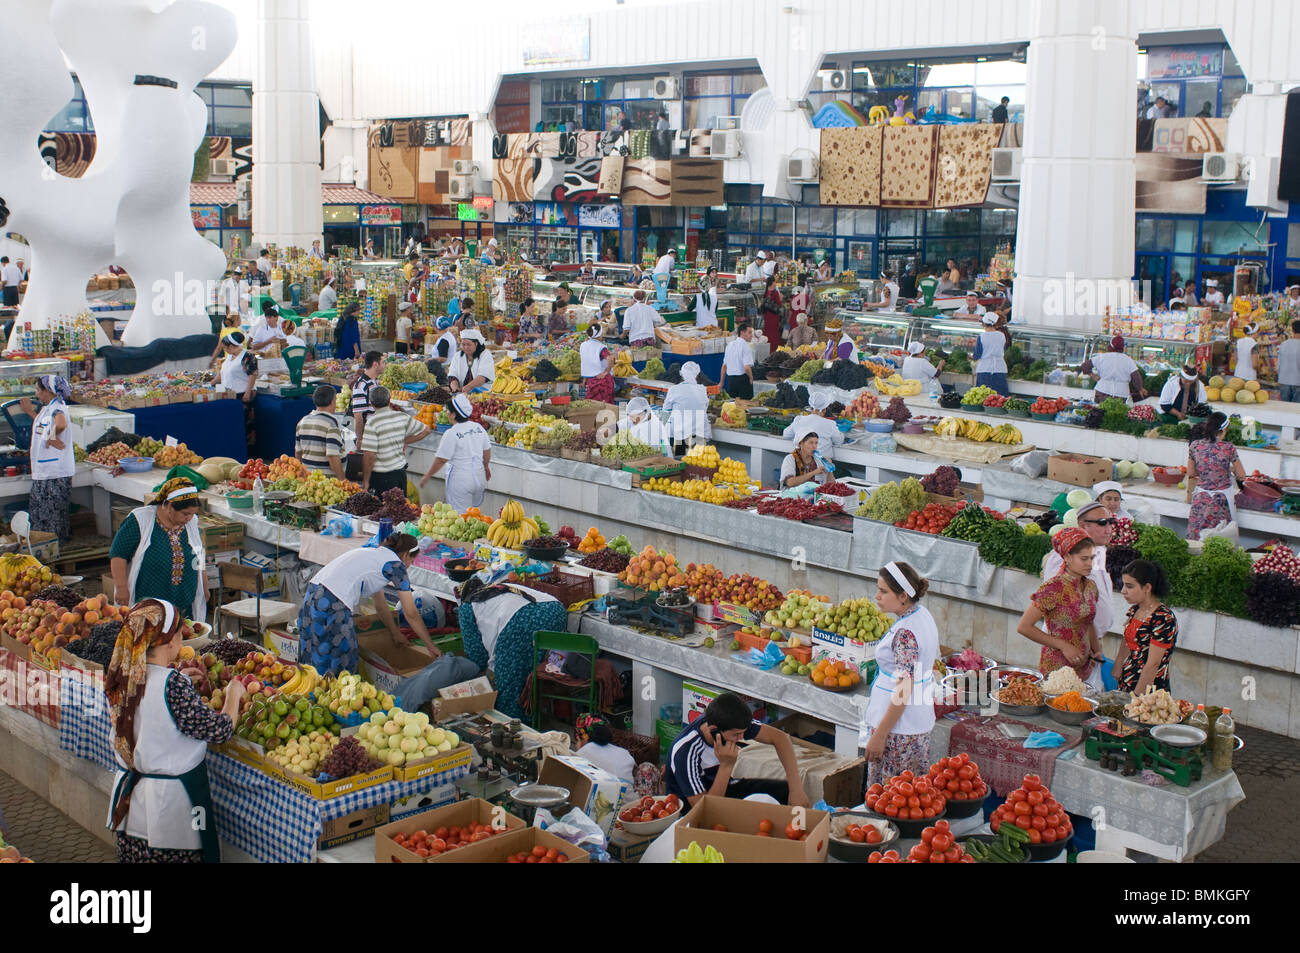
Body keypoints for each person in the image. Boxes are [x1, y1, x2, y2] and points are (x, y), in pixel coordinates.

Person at [107, 598, 243, 863]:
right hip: (170, 809)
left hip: (133, 804)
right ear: (168, 641)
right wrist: (233, 695)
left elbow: (152, 708)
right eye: (180, 635)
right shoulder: (171, 686)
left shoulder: (122, 677)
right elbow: (220, 730)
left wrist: (180, 683)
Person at [299, 534, 438, 676]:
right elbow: (411, 613)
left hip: (312, 596)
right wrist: (430, 646)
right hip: (333, 605)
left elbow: (381, 606)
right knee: (342, 664)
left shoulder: (374, 554)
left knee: (312, 659)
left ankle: (311, 696)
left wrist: (396, 633)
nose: (409, 566)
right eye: (412, 561)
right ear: (406, 555)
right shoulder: (396, 566)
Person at [860, 561, 939, 785]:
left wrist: (880, 735)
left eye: (883, 591)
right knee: (912, 795)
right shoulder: (922, 615)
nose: (877, 596)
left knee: (891, 797)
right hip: (916, 722)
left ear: (903, 595)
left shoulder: (905, 634)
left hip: (898, 731)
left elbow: (903, 690)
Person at [665, 692, 809, 807]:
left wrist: (796, 789)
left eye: (743, 732)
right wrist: (726, 766)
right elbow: (704, 809)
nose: (741, 737)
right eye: (736, 735)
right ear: (714, 730)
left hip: (726, 789)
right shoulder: (685, 751)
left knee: (786, 790)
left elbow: (781, 738)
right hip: (694, 809)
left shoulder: (732, 723)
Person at [109, 478, 209, 621]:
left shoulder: (191, 522)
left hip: (184, 596)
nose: (189, 518)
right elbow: (118, 554)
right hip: (149, 599)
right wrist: (121, 587)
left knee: (184, 634)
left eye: (193, 513)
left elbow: (198, 556)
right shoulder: (140, 519)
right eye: (185, 513)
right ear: (168, 506)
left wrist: (204, 587)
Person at [1018, 528, 1101, 682]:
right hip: (1057, 668)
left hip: (1084, 665)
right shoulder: (1053, 588)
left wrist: (1096, 650)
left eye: (1092, 558)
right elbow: (1024, 627)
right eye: (1084, 559)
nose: (1090, 564)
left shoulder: (1091, 587)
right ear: (1068, 557)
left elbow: (1088, 622)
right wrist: (1063, 645)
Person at [1043, 498, 1115, 641]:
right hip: (1065, 640)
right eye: (1102, 523)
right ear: (1083, 525)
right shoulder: (1065, 554)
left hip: (1089, 641)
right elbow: (1056, 601)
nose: (1109, 529)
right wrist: (1066, 646)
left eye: (1111, 522)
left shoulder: (1099, 551)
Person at [1113, 560, 1178, 696]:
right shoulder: (1135, 609)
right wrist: (1119, 663)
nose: (1123, 591)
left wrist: (1136, 698)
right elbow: (1128, 638)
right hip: (1128, 681)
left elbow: (1153, 664)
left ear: (1147, 588)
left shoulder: (1163, 617)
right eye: (1123, 585)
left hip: (1150, 689)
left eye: (1129, 586)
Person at [23, 375, 75, 541]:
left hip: (54, 473)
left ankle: (54, 547)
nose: (36, 394)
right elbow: (42, 428)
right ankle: (47, 545)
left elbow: (60, 424)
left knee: (52, 514)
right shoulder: (48, 408)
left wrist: (52, 436)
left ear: (48, 391)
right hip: (46, 470)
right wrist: (31, 413)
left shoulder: (58, 408)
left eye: (38, 390)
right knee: (42, 512)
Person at [420, 393, 492, 510]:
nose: (446, 413)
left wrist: (427, 475)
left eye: (448, 411)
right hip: (479, 478)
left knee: (460, 517)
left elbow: (441, 459)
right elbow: (487, 451)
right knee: (474, 514)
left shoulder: (451, 433)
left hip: (461, 481)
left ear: (453, 415)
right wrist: (486, 467)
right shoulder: (478, 427)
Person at [1186, 411, 1247, 540]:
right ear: (1224, 429)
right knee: (1219, 540)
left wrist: (1207, 470)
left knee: (1197, 540)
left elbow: (1191, 473)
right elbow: (1242, 476)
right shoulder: (1228, 447)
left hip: (1200, 500)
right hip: (1221, 502)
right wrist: (1229, 470)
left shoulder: (1195, 445)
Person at [361, 385, 429, 495]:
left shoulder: (372, 423)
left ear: (371, 403)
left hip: (381, 479)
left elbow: (369, 455)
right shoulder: (402, 417)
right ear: (389, 400)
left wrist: (366, 481)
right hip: (400, 476)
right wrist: (406, 440)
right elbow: (426, 430)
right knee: (400, 509)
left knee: (383, 511)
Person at [215, 331, 259, 453]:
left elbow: (253, 374)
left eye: (225, 347)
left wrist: (247, 392)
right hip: (228, 393)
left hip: (241, 394)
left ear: (231, 346)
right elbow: (222, 374)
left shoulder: (247, 356)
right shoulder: (229, 357)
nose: (224, 349)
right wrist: (211, 384)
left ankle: (248, 451)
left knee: (245, 423)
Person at [295, 385, 346, 479]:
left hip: (309, 478)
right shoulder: (331, 423)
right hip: (327, 482)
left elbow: (298, 453)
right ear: (332, 402)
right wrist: (342, 479)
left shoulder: (302, 421)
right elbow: (332, 456)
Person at [663, 360, 711, 454]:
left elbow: (666, 411)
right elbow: (705, 408)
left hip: (681, 433)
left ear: (682, 374)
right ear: (697, 375)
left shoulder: (674, 390)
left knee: (681, 462)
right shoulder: (702, 390)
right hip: (700, 433)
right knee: (699, 463)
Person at [1082, 334, 1145, 403]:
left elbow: (1085, 366)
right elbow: (1136, 378)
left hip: (1102, 391)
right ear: (1123, 348)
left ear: (1110, 346)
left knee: (1099, 412)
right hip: (1121, 393)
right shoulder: (1128, 360)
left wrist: (1093, 376)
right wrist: (1140, 389)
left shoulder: (1102, 357)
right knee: (1116, 412)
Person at [782, 391, 845, 459]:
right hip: (822, 466)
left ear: (811, 408)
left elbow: (786, 435)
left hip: (802, 465)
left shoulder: (799, 420)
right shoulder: (829, 424)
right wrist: (842, 433)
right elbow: (839, 441)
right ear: (824, 410)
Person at [574, 714, 636, 781]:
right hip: (628, 789)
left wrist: (579, 750)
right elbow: (635, 767)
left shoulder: (583, 752)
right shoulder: (623, 751)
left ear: (582, 738)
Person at [351, 350, 384, 445]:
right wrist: (360, 439)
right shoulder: (361, 385)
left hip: (376, 433)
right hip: (369, 436)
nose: (385, 365)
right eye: (383, 362)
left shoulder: (373, 382)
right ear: (375, 364)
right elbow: (358, 416)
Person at [972, 312, 1009, 395]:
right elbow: (1004, 349)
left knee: (984, 396)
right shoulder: (1002, 335)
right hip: (1000, 368)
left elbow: (977, 355)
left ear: (984, 324)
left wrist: (971, 357)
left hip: (985, 369)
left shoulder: (982, 336)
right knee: (1000, 398)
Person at [578, 323, 615, 404]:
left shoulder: (583, 345)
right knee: (605, 407)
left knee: (591, 406)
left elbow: (586, 363)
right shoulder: (600, 347)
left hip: (590, 381)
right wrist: (606, 372)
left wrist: (584, 380)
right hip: (602, 381)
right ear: (600, 334)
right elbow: (610, 359)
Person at [722, 322, 755, 399]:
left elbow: (724, 366)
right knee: (745, 407)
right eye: (749, 332)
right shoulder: (746, 346)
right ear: (742, 333)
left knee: (732, 407)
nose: (751, 335)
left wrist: (721, 382)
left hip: (731, 381)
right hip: (743, 381)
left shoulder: (729, 345)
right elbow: (747, 367)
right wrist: (751, 377)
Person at [1278, 320, 1300, 404]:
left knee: (1284, 410)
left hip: (1284, 381)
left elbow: (1278, 364)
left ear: (1292, 330)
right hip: (1298, 382)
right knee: (1296, 412)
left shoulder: (1283, 344)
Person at [760, 275, 784, 344]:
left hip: (767, 316)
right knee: (774, 333)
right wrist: (781, 298)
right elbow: (779, 304)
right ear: (773, 283)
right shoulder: (775, 293)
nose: (775, 283)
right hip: (774, 316)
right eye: (775, 281)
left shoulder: (766, 292)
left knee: (768, 332)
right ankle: (774, 348)